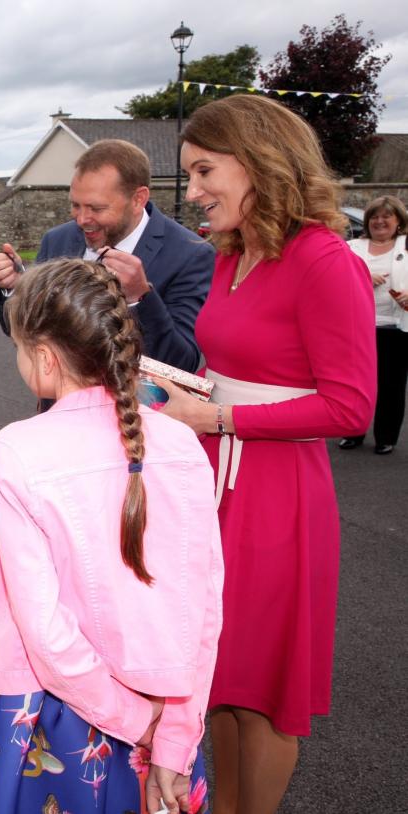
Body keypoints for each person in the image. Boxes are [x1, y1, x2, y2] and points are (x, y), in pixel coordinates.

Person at [157, 95, 376, 814]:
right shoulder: (229, 255)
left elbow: (350, 406)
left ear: (256, 161)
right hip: (212, 487)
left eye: (202, 171)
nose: (191, 191)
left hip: (277, 496)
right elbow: (222, 361)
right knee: (217, 676)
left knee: (266, 692)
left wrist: (216, 415)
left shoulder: (322, 259)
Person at [0, 258, 223, 814]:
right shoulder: (183, 444)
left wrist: (136, 723)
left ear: (44, 358)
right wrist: (172, 734)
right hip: (165, 703)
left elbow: (46, 634)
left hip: (48, 712)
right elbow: (204, 610)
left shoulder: (13, 452)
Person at [0, 139, 215, 371]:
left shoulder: (190, 254)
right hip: (62, 405)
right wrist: (16, 288)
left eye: (96, 208)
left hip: (137, 406)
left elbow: (181, 362)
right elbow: (25, 333)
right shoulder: (57, 240)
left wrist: (139, 297)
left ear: (138, 199)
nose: (81, 220)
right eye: (76, 205)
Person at [339, 195, 408, 455]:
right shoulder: (352, 246)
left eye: (386, 217)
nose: (380, 222)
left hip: (395, 327)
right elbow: (333, 278)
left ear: (398, 221)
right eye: (375, 217)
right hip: (357, 328)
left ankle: (386, 436)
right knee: (355, 383)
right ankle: (352, 431)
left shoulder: (406, 244)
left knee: (392, 385)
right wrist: (363, 276)